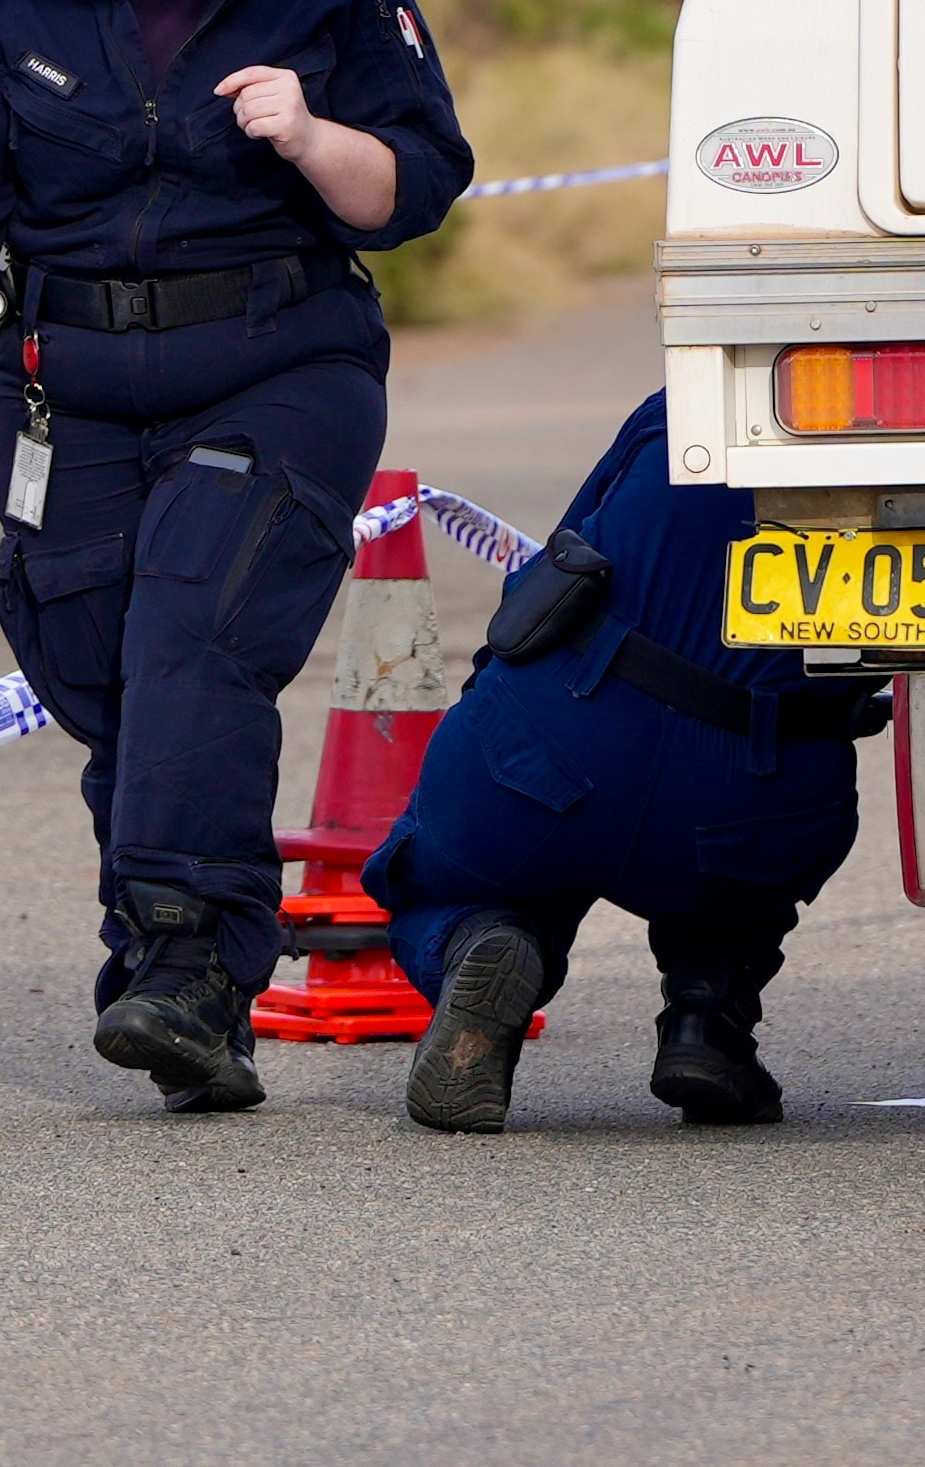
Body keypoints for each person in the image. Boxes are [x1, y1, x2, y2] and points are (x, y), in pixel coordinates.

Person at [0, 0, 471, 1113]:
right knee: (107, 674)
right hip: (66, 391)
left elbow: (418, 186)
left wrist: (315, 135)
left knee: (195, 628)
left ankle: (194, 967)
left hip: (277, 367)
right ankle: (160, 963)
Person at [368, 388, 880, 1133]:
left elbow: (552, 569)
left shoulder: (687, 405)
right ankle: (708, 1023)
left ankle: (481, 939)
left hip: (549, 748)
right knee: (742, 881)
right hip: (748, 799)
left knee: (448, 879)